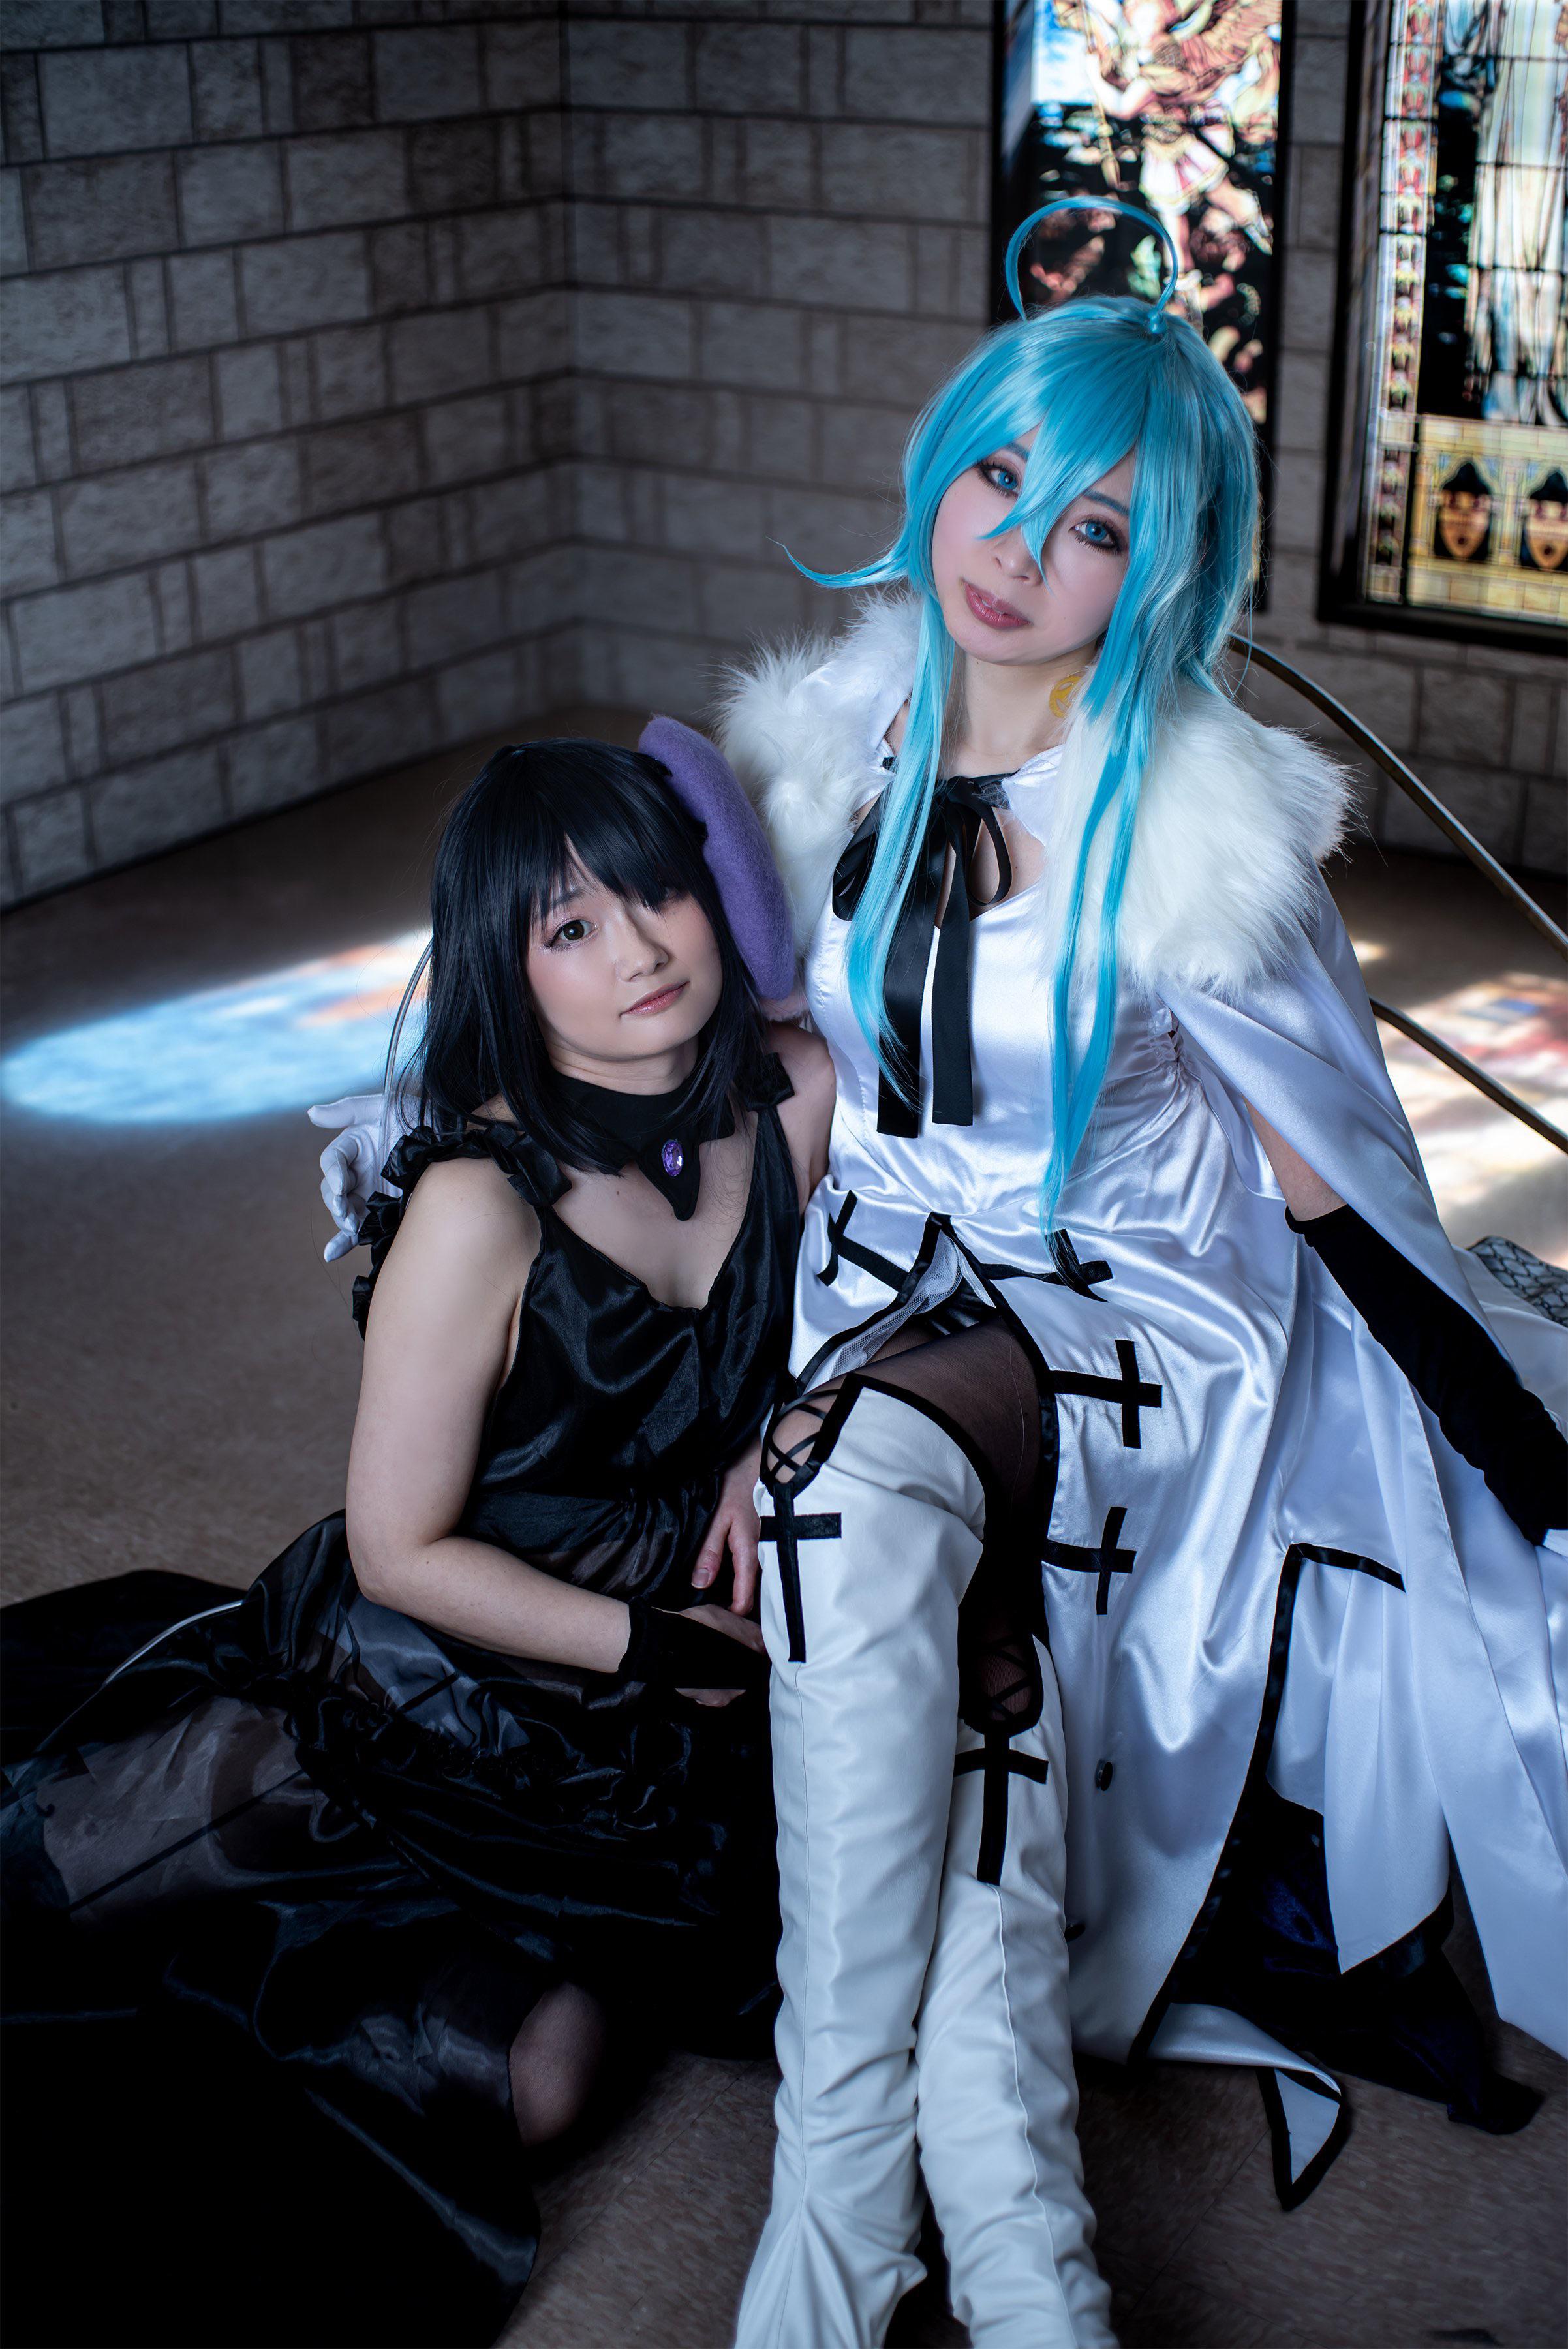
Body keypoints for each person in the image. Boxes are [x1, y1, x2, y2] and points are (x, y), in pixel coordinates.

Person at [315, 201, 1568, 2348]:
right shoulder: (835, 741)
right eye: (998, 474)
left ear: (1155, 571)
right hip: (886, 1286)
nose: (1015, 548)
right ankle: (1012, 2274)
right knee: (939, 1638)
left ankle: (824, 2223)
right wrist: (460, 1146)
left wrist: (1508, 1454)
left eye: (1095, 526)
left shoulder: (1191, 828)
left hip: (1131, 1313)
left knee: (834, 1490)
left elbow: (1326, 1169)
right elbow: (736, 1037)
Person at [1, 728, 833, 2349]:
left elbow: (869, 1299)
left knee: (542, 2083)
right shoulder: (478, 1201)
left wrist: (768, 1437)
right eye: (570, 927)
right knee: (52, 1891)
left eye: (657, 891)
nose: (639, 950)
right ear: (505, 972)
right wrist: (651, 1644)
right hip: (425, 1681)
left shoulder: (789, 1099)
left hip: (630, 1751)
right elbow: (399, 1551)